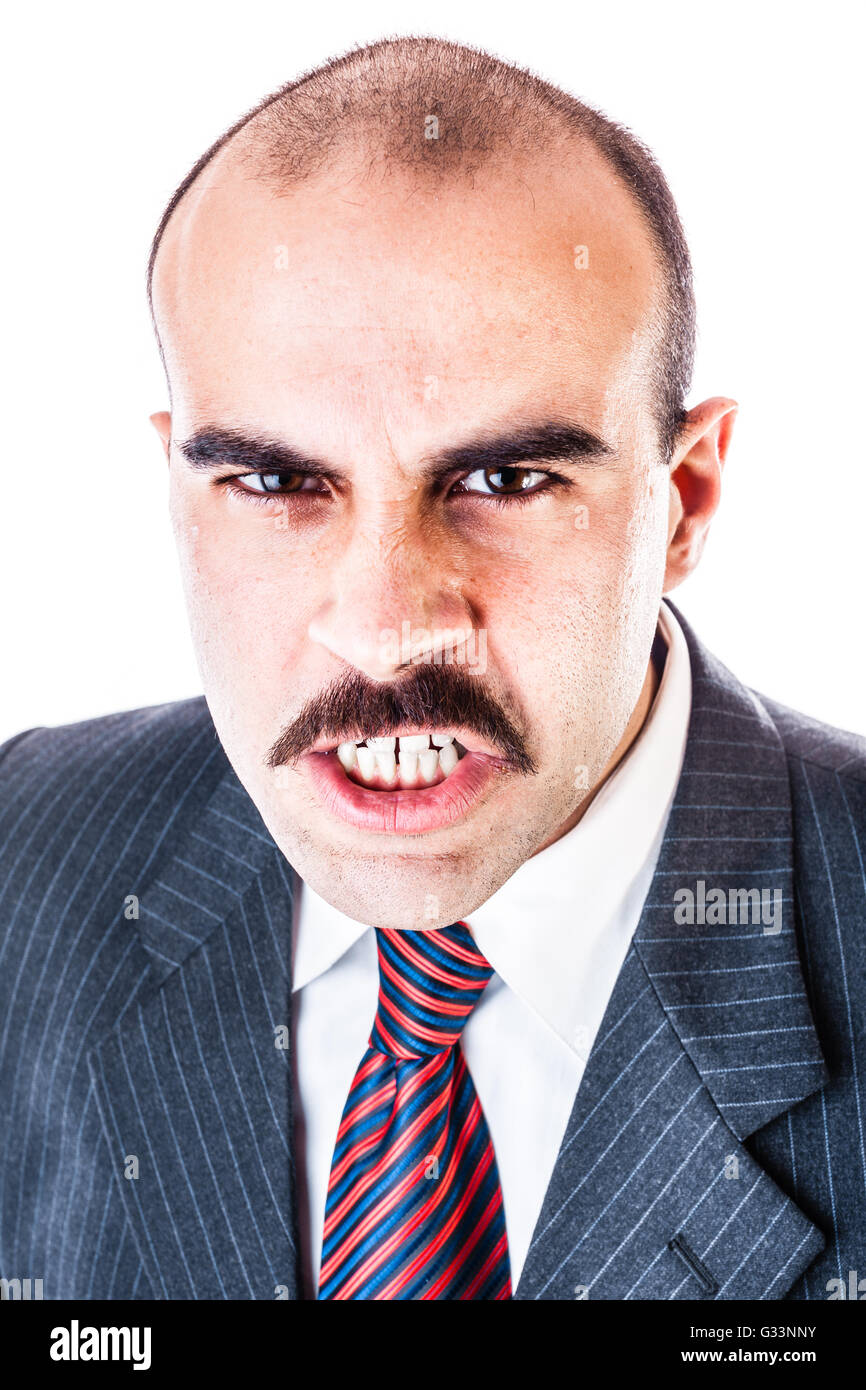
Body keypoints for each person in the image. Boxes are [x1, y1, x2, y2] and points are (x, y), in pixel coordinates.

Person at [1, 35, 863, 1302]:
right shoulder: (25, 853)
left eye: (504, 480)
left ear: (682, 497)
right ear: (177, 480)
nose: (387, 627)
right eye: (275, 481)